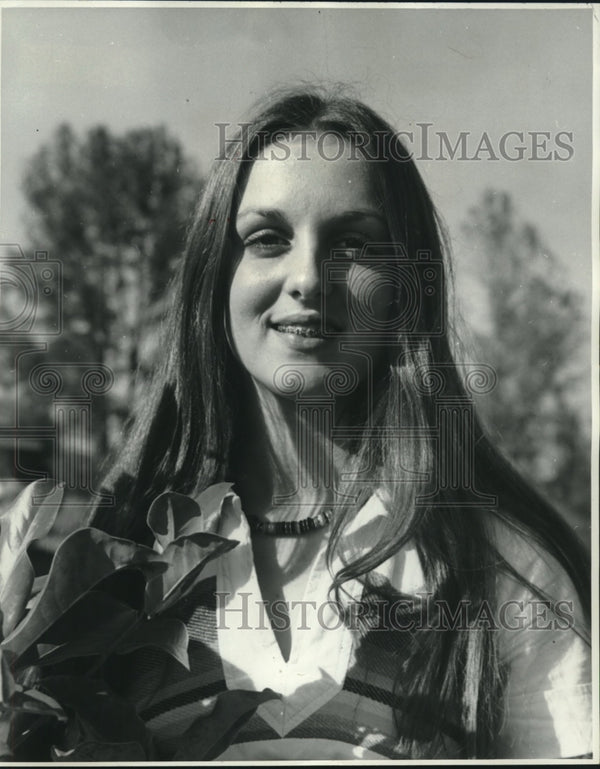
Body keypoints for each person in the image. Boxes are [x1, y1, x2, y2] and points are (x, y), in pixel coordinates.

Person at [93, 86, 591, 760]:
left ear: (404, 289)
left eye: (353, 245)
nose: (307, 276)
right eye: (267, 238)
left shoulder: (504, 569)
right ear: (216, 280)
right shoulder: (109, 564)